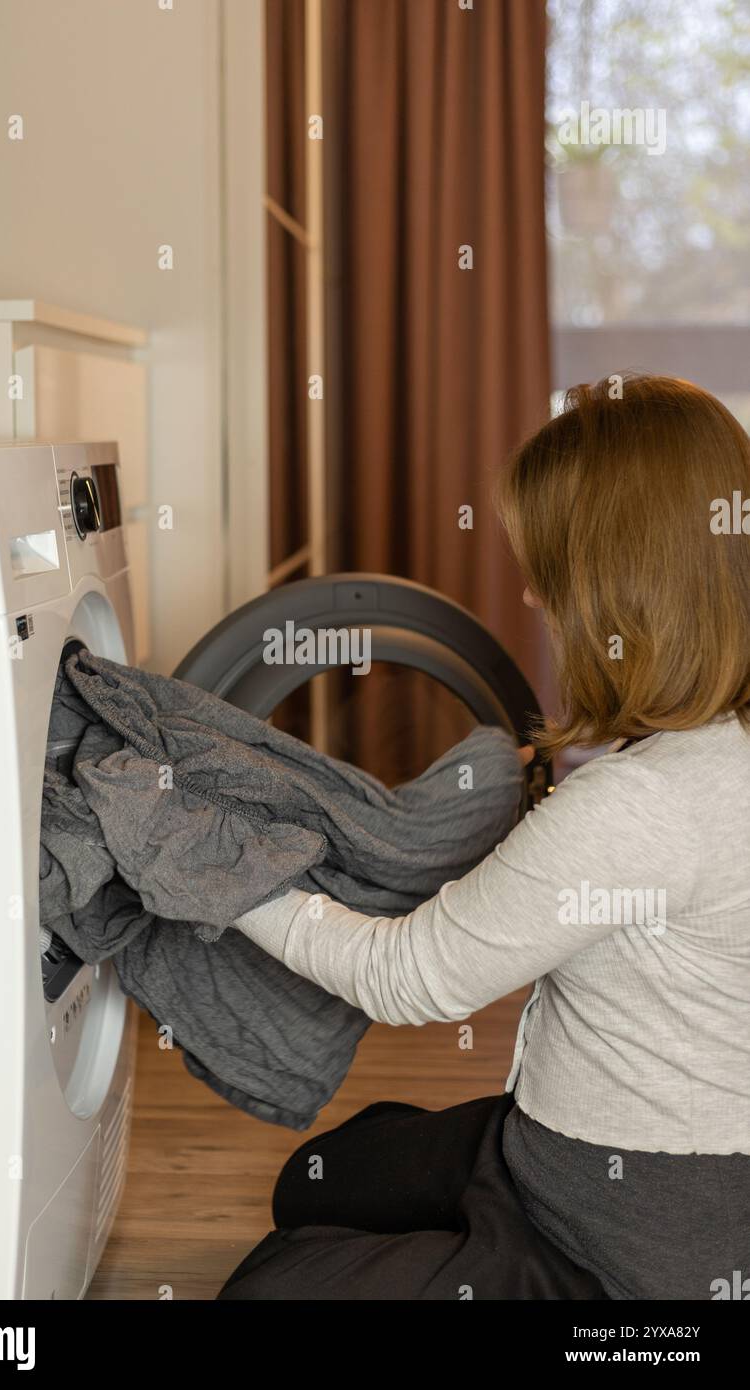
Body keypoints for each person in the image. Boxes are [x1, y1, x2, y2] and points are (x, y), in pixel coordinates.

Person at [217, 375, 750, 1301]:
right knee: (319, 1179)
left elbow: (405, 977)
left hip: (633, 1242)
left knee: (267, 1288)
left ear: (624, 589)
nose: (537, 594)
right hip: (577, 1146)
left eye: (551, 570)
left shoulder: (643, 806)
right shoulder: (709, 754)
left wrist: (228, 871)